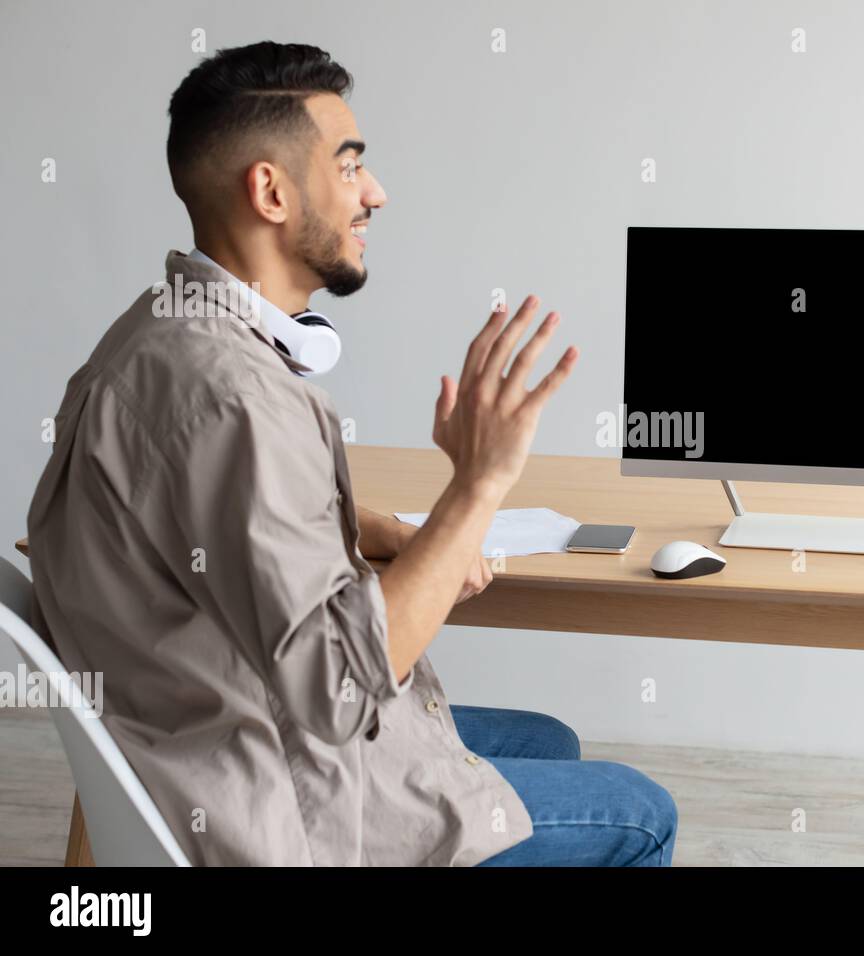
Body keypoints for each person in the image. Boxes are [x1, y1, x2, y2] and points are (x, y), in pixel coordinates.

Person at [25, 40, 676, 867]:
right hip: (271, 800)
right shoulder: (237, 395)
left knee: (547, 739)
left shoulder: (156, 333)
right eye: (350, 166)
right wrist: (477, 487)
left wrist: (378, 531)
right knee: (641, 813)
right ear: (270, 190)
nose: (375, 193)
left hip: (200, 733)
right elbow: (335, 691)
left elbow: (214, 530)